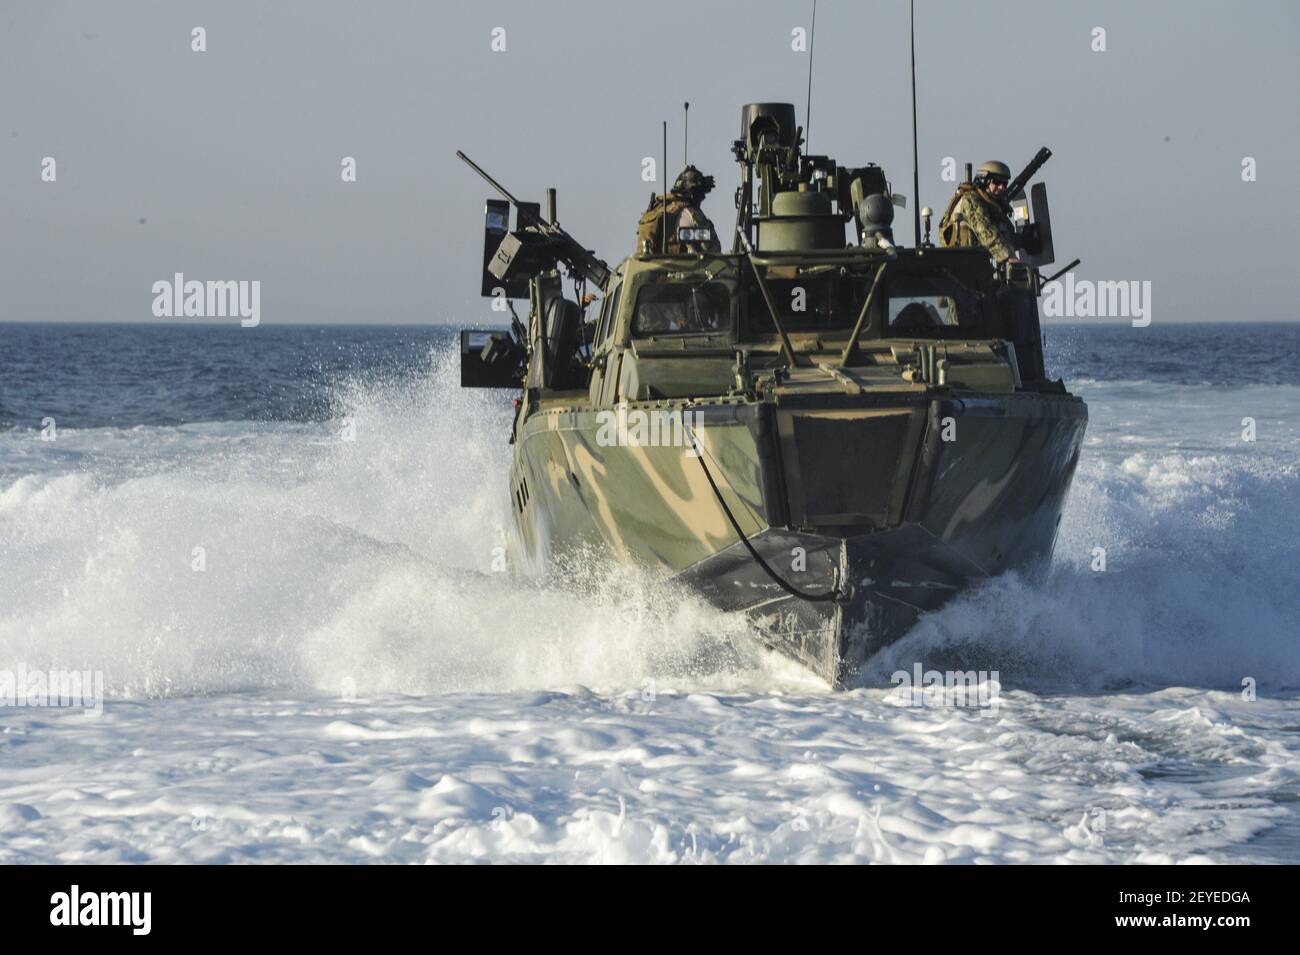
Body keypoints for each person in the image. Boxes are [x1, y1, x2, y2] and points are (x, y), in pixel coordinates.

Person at [938, 160, 1019, 264]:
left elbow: (1006, 232)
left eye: (1004, 183)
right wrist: (1008, 256)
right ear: (984, 180)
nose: (1001, 187)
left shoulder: (991, 204)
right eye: (997, 182)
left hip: (975, 261)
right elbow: (984, 229)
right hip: (960, 261)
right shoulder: (970, 199)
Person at [636, 166, 721, 255]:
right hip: (677, 265)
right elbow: (714, 250)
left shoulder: (659, 210)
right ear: (692, 192)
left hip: (656, 265)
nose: (702, 198)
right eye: (699, 193)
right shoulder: (689, 214)